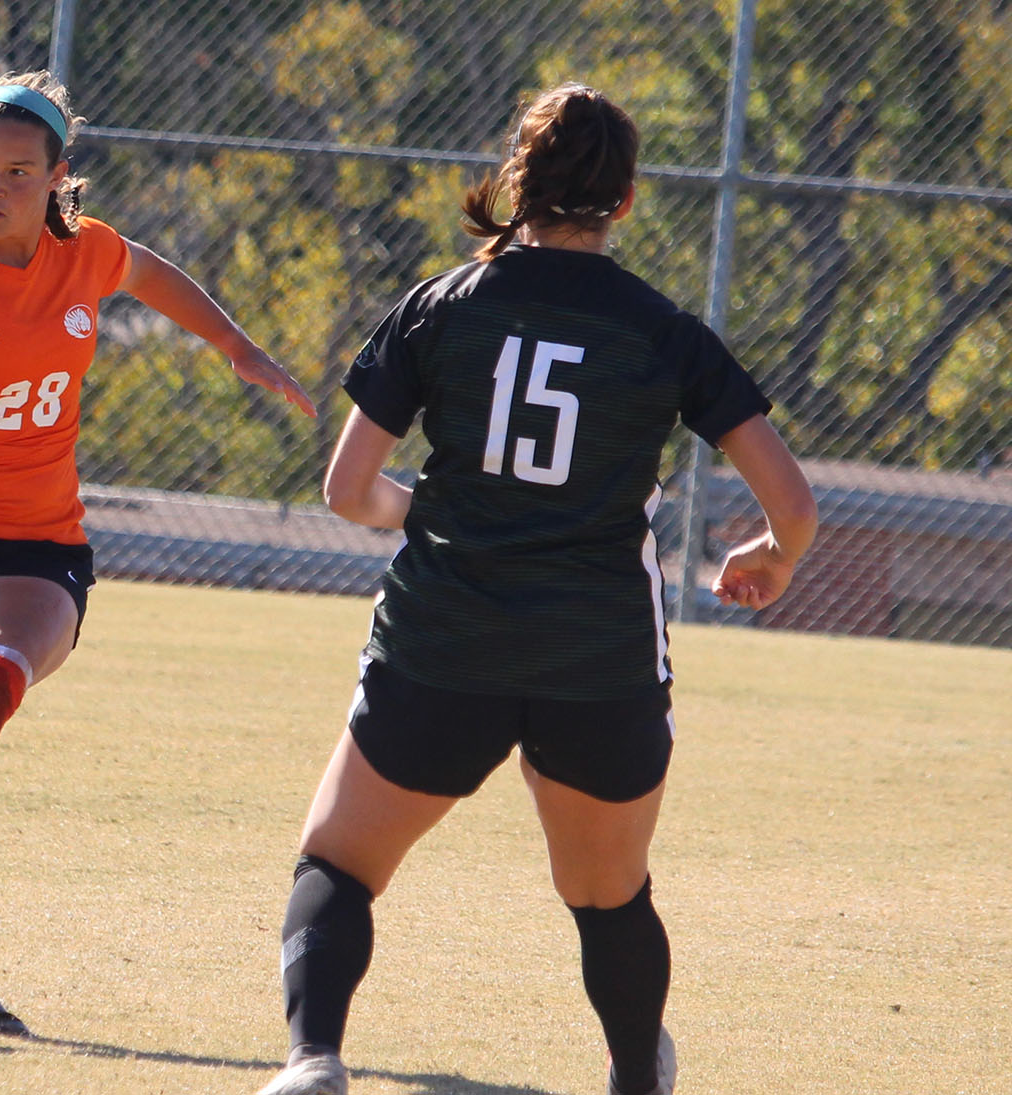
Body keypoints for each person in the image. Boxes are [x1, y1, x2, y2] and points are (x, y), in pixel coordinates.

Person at [255, 84, 818, 1095]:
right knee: (606, 895)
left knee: (336, 866)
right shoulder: (659, 329)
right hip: (593, 656)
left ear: (516, 180)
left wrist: (428, 508)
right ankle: (632, 1077)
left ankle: (313, 1062)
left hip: (445, 638)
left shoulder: (440, 305)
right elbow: (792, 501)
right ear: (626, 199)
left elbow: (346, 491)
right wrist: (770, 556)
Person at [0, 70, 316, 1035]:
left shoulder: (87, 255)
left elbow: (156, 276)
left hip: (34, 539)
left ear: (55, 179)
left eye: (13, 171)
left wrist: (237, 347)